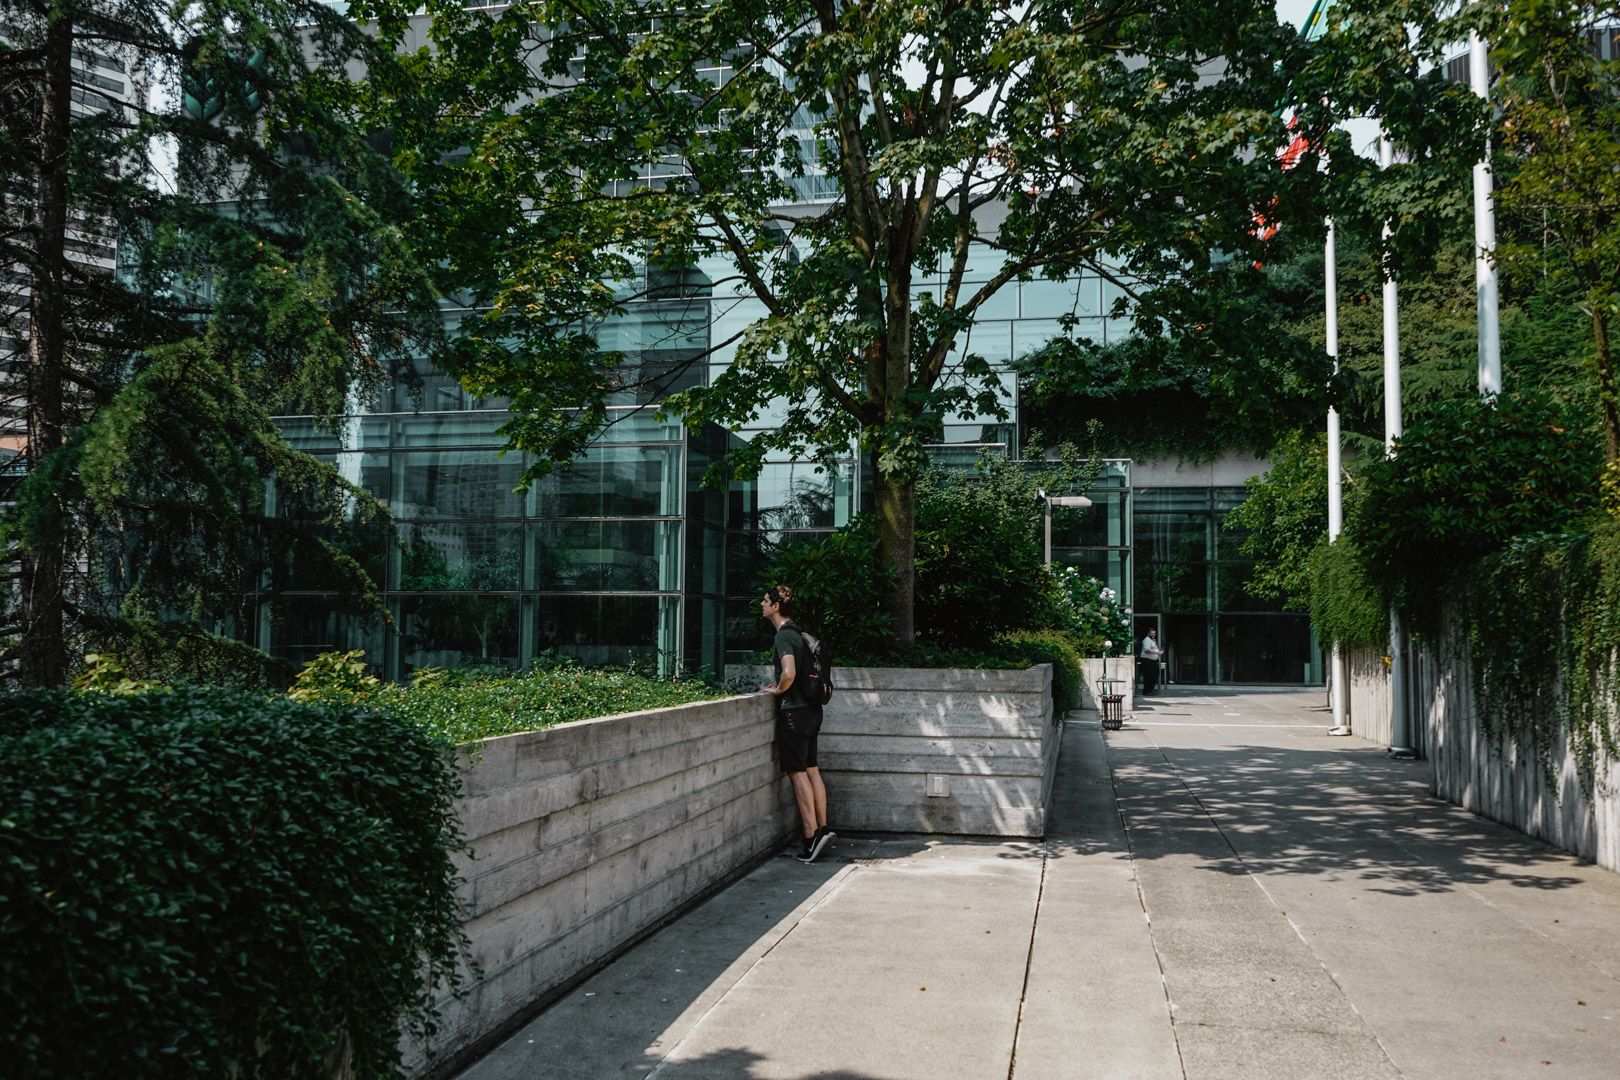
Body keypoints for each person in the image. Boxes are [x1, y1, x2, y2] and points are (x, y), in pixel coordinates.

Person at [760, 584, 833, 863]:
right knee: (812, 770)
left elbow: (788, 673)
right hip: (813, 711)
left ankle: (810, 837)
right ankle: (823, 829)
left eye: (766, 601)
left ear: (776, 606)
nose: (762, 605)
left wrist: (778, 689)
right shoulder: (801, 635)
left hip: (794, 713)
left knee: (797, 773)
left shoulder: (784, 637)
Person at [1138, 627, 1163, 695]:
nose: (1153, 634)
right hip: (1147, 660)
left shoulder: (1153, 640)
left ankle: (1150, 689)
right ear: (1148, 633)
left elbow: (1154, 648)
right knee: (1148, 676)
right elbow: (1147, 650)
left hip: (1153, 660)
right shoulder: (1146, 640)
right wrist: (1157, 653)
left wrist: (1158, 651)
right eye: (1152, 633)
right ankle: (1146, 691)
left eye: (1154, 633)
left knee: (1155, 675)